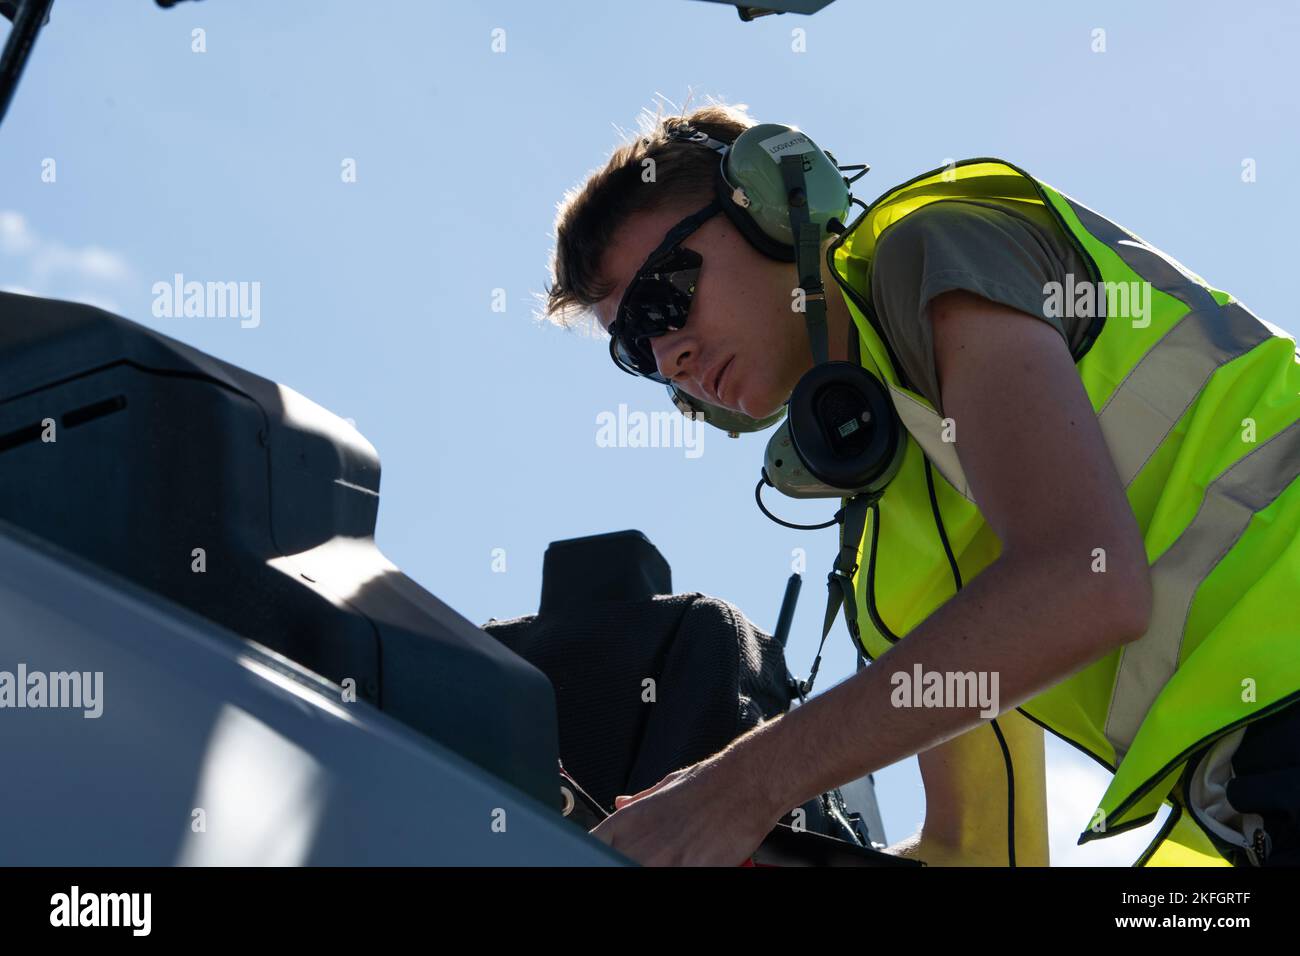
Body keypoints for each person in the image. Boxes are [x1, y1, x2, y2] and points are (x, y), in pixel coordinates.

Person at [539, 99, 1300, 867]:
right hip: (1247, 792)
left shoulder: (928, 253)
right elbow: (978, 849)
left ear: (772, 206)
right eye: (635, 347)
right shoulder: (898, 543)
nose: (669, 356)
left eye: (663, 299)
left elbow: (1088, 583)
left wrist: (737, 787)